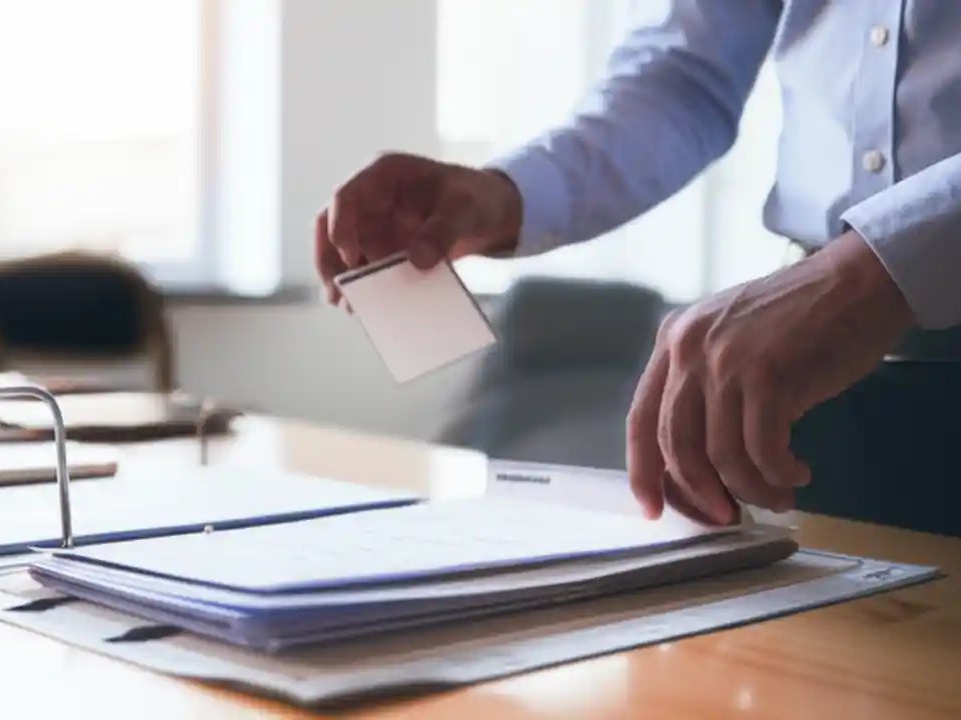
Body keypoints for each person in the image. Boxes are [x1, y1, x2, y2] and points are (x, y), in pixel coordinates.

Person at [314, 1, 961, 535]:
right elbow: (687, 77)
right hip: (810, 377)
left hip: (826, 314)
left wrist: (875, 267)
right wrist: (507, 193)